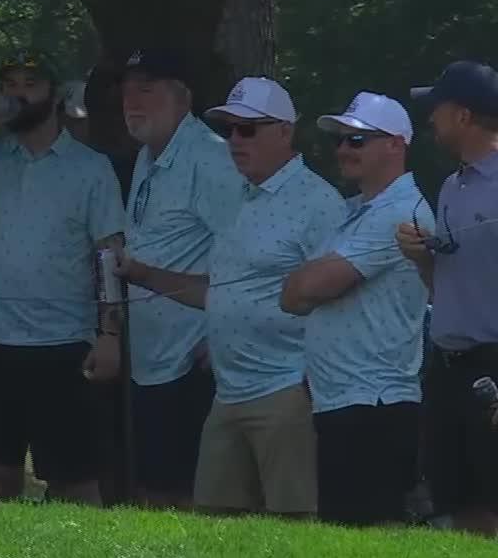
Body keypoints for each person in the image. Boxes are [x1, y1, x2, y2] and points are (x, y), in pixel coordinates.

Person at [121, 77, 345, 517]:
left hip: (286, 390)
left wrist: (311, 383)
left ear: (285, 131)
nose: (235, 141)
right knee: (215, 525)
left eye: (248, 130)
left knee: (294, 527)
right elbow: (221, 293)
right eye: (229, 130)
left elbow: (340, 302)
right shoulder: (239, 199)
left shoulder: (319, 203)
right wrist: (144, 275)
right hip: (227, 393)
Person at [0, 52, 128, 504]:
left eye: (29, 84)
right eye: (9, 84)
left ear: (54, 95)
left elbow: (110, 254)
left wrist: (109, 335)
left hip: (65, 347)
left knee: (76, 484)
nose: (16, 94)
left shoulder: (90, 168)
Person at [280, 93, 430, 526]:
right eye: (342, 139)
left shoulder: (401, 213)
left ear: (395, 145)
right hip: (344, 402)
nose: (344, 148)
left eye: (358, 139)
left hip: (375, 405)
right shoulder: (356, 211)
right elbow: (297, 295)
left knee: (375, 544)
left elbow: (303, 288)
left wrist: (304, 280)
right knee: (346, 545)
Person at [117, 49, 244, 507]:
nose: (133, 101)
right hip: (151, 358)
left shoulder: (211, 159)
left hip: (196, 359)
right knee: (156, 494)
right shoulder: (146, 158)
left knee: (195, 498)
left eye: (146, 90)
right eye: (127, 91)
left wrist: (223, 333)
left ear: (182, 98)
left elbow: (244, 251)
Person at [397, 60, 498, 535]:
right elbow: (445, 286)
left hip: (491, 366)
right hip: (446, 367)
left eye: (436, 108)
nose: (430, 118)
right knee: (450, 491)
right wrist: (421, 258)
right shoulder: (450, 188)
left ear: (462, 115)